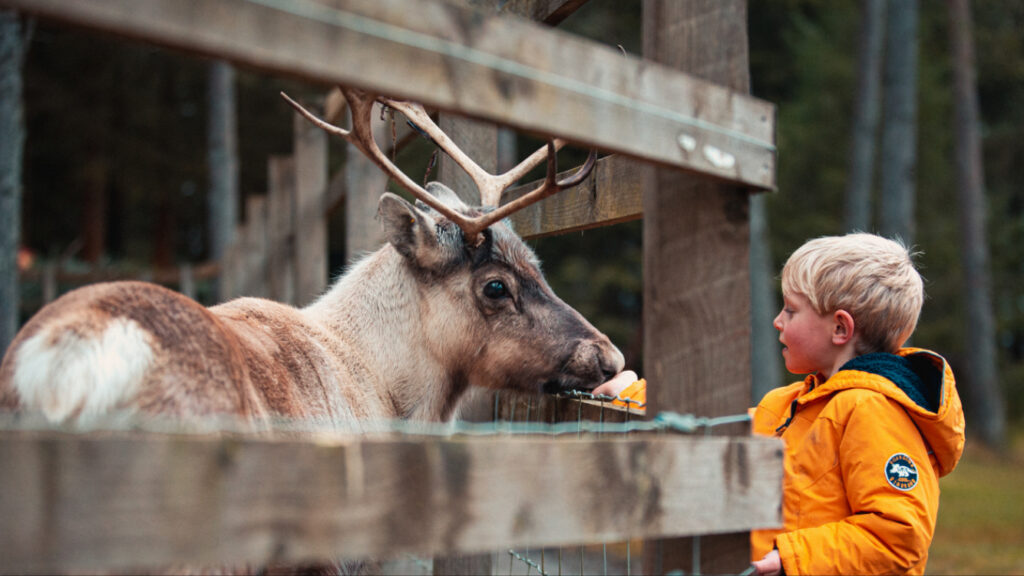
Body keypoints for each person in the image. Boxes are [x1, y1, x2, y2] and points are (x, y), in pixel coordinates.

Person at [600, 233, 966, 575]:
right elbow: (713, 430)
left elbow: (899, 537)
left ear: (840, 329)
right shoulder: (791, 403)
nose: (777, 321)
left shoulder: (874, 410)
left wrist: (794, 559)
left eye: (791, 310)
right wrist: (632, 393)